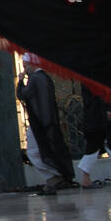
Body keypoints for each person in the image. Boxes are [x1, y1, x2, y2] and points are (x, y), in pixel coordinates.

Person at [17, 54, 75, 193]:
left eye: (26, 65)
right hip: (46, 122)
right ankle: (57, 176)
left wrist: (20, 82)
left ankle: (53, 177)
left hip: (39, 122)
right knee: (44, 150)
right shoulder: (44, 78)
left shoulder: (36, 78)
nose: (24, 68)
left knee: (33, 152)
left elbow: (23, 95)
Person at [77, 85, 111, 188]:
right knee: (107, 148)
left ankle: (86, 178)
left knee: (97, 148)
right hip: (98, 120)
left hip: (94, 120)